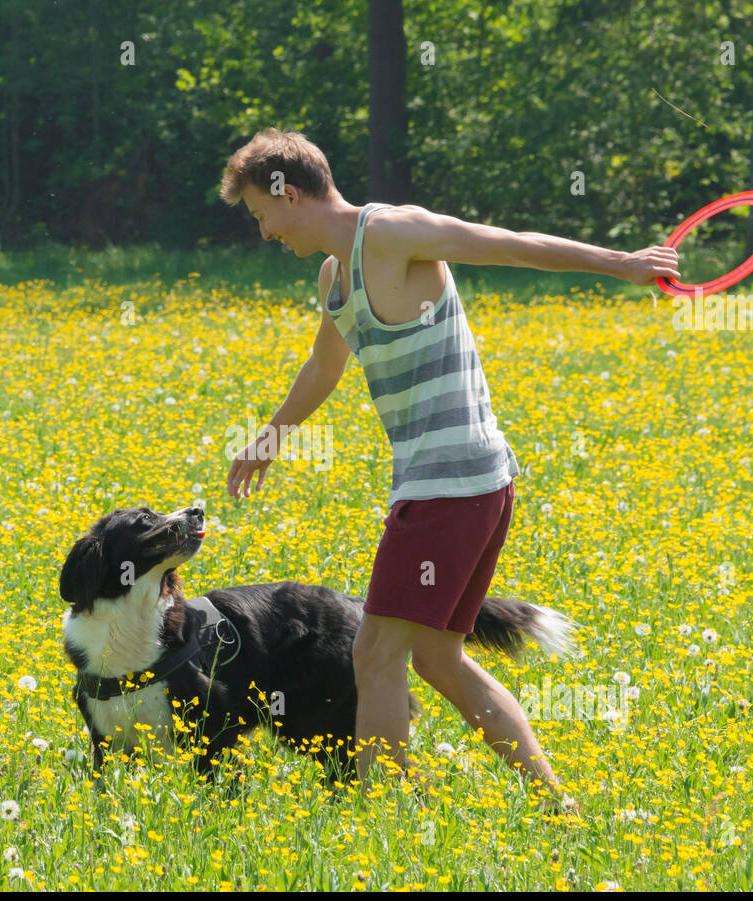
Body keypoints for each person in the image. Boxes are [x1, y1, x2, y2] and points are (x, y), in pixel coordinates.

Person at [219, 128, 679, 812]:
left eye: (260, 212)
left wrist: (623, 263)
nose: (262, 232)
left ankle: (386, 817)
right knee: (437, 656)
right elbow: (325, 365)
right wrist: (271, 436)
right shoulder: (334, 274)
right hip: (470, 483)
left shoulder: (392, 234)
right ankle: (558, 805)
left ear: (288, 191)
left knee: (373, 655)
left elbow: (508, 244)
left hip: (450, 482)